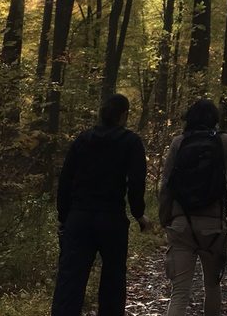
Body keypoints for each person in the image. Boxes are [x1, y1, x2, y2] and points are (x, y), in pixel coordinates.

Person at [52, 93, 151, 316]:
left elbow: (65, 180)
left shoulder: (82, 140)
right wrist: (139, 214)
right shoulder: (131, 142)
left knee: (70, 282)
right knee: (113, 281)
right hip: (112, 219)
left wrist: (63, 216)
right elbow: (136, 182)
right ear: (124, 115)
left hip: (79, 218)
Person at [159, 98, 227, 316]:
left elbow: (166, 186)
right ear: (215, 120)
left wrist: (165, 220)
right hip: (214, 228)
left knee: (180, 292)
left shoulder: (178, 143)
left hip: (182, 225)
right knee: (212, 286)